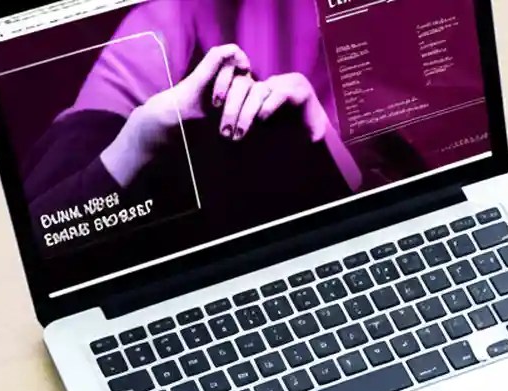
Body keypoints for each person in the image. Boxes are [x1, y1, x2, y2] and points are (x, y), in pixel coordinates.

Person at [21, 0, 364, 237]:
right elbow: (43, 235)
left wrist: (327, 148)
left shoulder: (369, 63)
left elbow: (385, 220)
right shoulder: (158, 35)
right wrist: (136, 141)